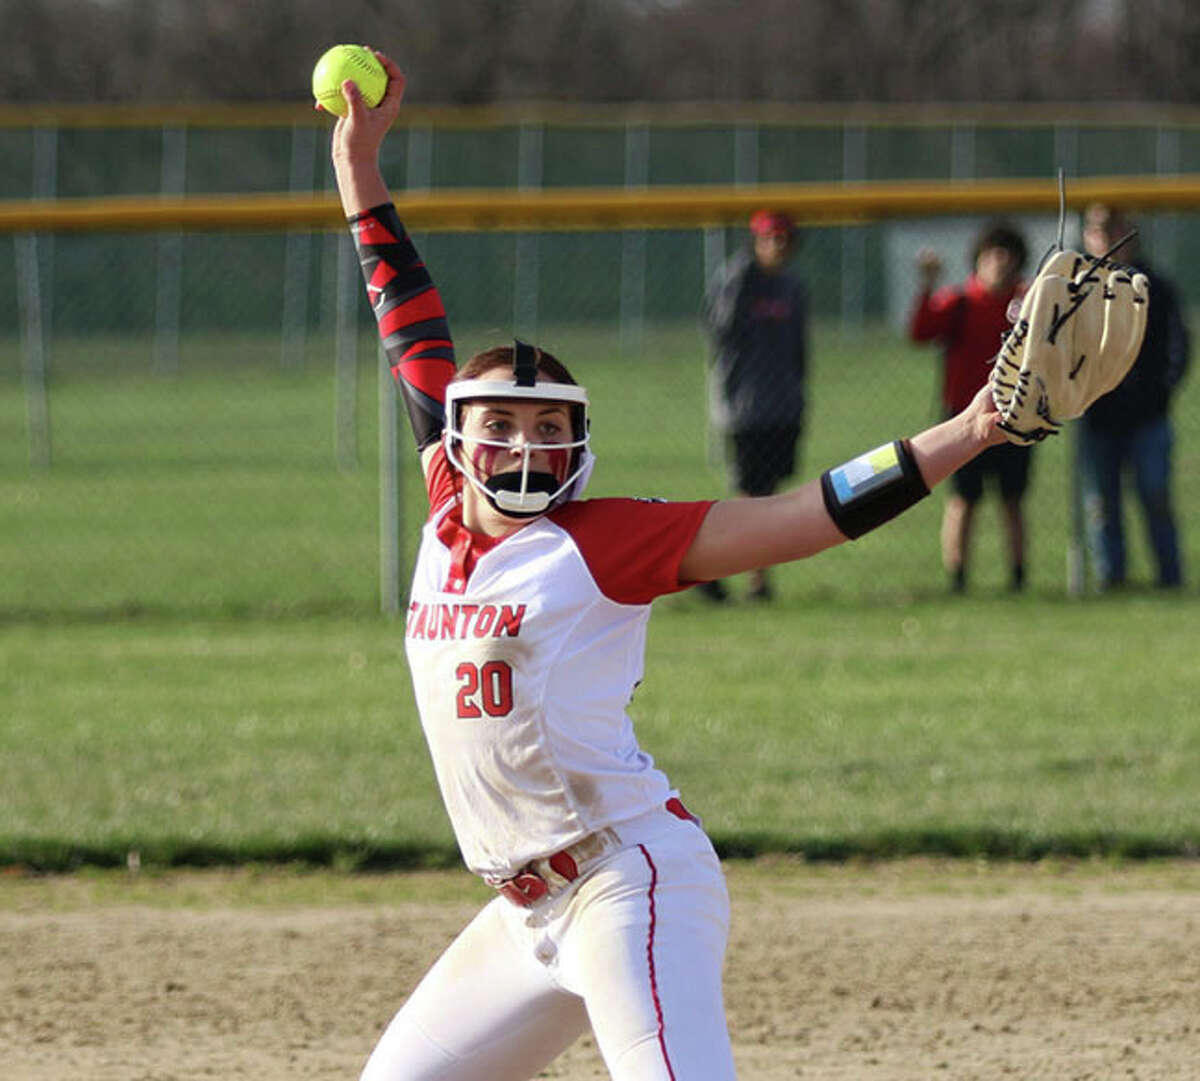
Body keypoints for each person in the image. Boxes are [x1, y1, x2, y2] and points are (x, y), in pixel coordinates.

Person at [329, 51, 1010, 1081]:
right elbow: (404, 308)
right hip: (524, 913)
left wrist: (970, 427)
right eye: (499, 425)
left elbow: (801, 517)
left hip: (628, 881)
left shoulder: (600, 538)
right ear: (458, 438)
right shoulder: (442, 510)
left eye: (544, 427)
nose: (521, 447)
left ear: (576, 439)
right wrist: (357, 161)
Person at [908, 221, 1033, 592]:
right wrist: (927, 285)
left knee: (1013, 499)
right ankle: (958, 577)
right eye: (992, 254)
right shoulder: (960, 300)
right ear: (978, 260)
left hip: (1014, 415)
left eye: (1008, 255)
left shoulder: (1026, 304)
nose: (1000, 262)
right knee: (964, 499)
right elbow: (920, 331)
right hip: (963, 417)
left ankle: (1018, 576)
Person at [1079, 203, 1190, 590]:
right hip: (1098, 415)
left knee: (1155, 497)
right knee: (1101, 505)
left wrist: (1159, 393)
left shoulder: (1155, 286)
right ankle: (1112, 579)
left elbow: (1179, 347)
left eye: (1114, 228)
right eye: (1097, 229)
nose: (1106, 237)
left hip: (1148, 417)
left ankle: (1170, 577)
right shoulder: (1078, 289)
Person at [699, 208, 808, 602]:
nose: (777, 247)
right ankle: (711, 567)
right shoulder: (737, 279)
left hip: (783, 406)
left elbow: (800, 349)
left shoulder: (792, 287)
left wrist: (800, 399)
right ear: (755, 242)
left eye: (784, 239)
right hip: (745, 407)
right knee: (751, 497)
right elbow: (720, 330)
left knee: (768, 496)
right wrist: (743, 276)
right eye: (769, 239)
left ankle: (756, 582)